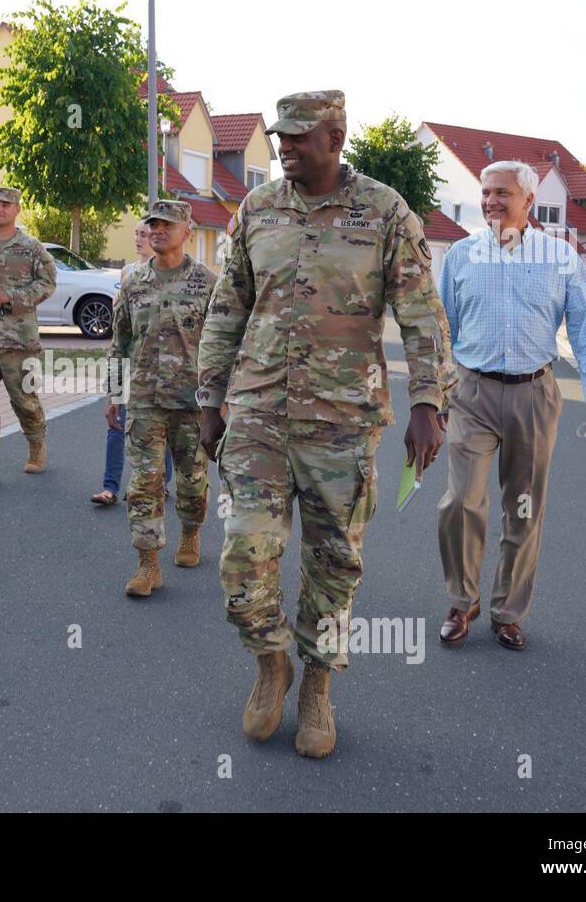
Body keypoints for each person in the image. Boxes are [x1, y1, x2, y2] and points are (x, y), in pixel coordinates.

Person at [198, 91, 454, 757]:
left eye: (298, 137)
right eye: (279, 136)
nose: (283, 146)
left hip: (343, 419)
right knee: (242, 560)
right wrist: (209, 397)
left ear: (335, 136)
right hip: (258, 411)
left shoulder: (384, 211)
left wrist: (429, 402)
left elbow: (421, 312)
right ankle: (269, 660)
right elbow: (229, 307)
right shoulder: (257, 209)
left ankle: (316, 682)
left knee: (333, 564)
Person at [436, 160, 586, 650]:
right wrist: (433, 394)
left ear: (529, 201)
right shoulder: (461, 257)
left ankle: (507, 611)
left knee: (523, 507)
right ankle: (460, 599)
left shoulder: (560, 258)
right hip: (471, 393)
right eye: (486, 192)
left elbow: (585, 323)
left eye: (502, 193)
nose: (491, 201)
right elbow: (440, 330)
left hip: (535, 394)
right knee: (460, 501)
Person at [108, 200, 215, 596]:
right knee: (144, 484)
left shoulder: (207, 282)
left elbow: (224, 344)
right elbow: (119, 341)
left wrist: (222, 401)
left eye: (167, 224)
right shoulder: (133, 280)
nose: (157, 230)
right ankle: (147, 565)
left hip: (193, 403)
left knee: (191, 481)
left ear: (187, 229)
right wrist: (115, 395)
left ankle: (190, 531)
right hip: (145, 400)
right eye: (152, 223)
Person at [0, 187, 57, 489]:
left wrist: (14, 298)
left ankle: (36, 443)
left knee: (25, 401)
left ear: (17, 209)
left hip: (19, 341)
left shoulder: (31, 248)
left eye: (5, 205)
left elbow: (49, 282)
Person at [91, 221, 172, 505]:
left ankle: (160, 482)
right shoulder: (127, 273)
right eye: (136, 233)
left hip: (160, 368)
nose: (139, 238)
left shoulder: (170, 274)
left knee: (163, 427)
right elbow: (120, 329)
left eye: (145, 234)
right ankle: (109, 486)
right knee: (116, 423)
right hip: (126, 360)